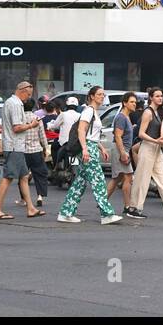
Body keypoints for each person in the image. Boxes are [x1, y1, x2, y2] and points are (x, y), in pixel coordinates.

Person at [57, 86, 121, 224]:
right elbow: (81, 130)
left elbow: (92, 134)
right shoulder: (88, 111)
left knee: (80, 182)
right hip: (87, 148)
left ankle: (66, 212)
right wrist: (85, 149)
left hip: (90, 146)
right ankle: (106, 214)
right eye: (99, 94)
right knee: (98, 180)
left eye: (103, 94)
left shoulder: (94, 112)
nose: (102, 96)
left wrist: (101, 148)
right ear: (92, 96)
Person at [127, 88, 163, 219]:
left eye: (161, 96)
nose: (160, 98)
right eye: (157, 96)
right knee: (142, 179)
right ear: (151, 98)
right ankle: (134, 208)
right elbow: (141, 133)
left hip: (156, 148)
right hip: (148, 147)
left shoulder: (156, 112)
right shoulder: (147, 113)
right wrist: (155, 140)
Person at [0, 82, 42, 220]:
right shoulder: (15, 104)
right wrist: (32, 125)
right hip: (14, 146)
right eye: (29, 94)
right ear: (23, 91)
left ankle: (30, 208)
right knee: (8, 177)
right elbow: (17, 127)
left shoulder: (12, 102)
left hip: (17, 146)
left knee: (24, 177)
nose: (28, 98)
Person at [106, 92, 138, 205]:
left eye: (135, 102)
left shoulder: (126, 117)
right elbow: (118, 136)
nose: (134, 104)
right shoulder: (121, 117)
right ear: (125, 103)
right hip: (120, 149)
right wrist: (123, 153)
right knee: (128, 177)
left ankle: (102, 202)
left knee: (116, 179)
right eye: (131, 102)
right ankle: (128, 206)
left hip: (123, 149)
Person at [22, 95, 50, 208]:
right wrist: (46, 148)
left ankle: (24, 199)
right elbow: (42, 136)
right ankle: (39, 196)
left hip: (23, 151)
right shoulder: (37, 119)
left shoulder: (20, 119)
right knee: (40, 174)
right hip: (36, 150)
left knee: (22, 176)